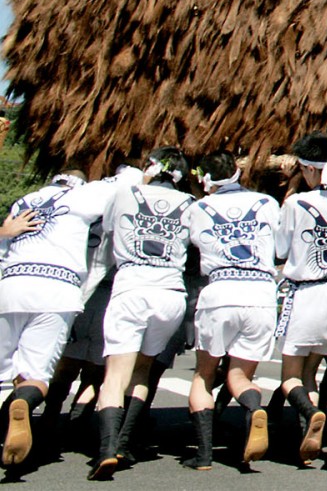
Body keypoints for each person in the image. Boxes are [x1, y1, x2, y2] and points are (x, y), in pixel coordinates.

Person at [0, 168, 125, 471]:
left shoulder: (23, 203)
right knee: (37, 373)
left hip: (12, 286)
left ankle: (9, 413)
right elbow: (126, 180)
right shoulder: (80, 196)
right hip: (57, 290)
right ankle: (25, 402)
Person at [91, 148, 194, 481]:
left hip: (131, 286)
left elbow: (107, 228)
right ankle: (124, 442)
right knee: (143, 370)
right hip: (170, 294)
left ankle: (106, 449)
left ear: (152, 166)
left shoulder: (124, 193)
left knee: (115, 376)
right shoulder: (190, 204)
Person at [182, 151, 280, 471]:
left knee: (204, 374)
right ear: (238, 171)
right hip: (262, 294)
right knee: (239, 375)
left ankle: (204, 454)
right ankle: (253, 407)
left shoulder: (199, 208)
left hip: (220, 292)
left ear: (204, 178)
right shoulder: (266, 203)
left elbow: (194, 242)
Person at [274, 132, 327, 465]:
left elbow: (280, 250)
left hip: (306, 292)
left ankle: (310, 413)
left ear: (308, 169)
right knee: (311, 372)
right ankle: (310, 440)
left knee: (289, 377)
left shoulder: (297, 203)